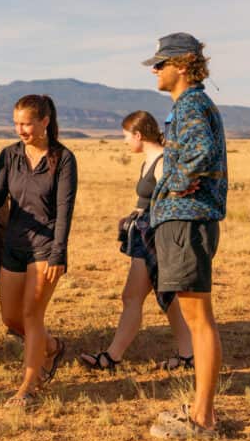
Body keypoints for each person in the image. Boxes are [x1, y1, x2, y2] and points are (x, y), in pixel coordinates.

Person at [0, 95, 78, 407]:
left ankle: (28, 388)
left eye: (26, 123)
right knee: (11, 318)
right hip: (15, 243)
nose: (20, 129)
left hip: (45, 247)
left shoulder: (63, 159)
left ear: (44, 122)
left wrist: (58, 254)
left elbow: (64, 211)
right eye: (16, 123)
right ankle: (51, 347)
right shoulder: (10, 155)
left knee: (32, 315)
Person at [141, 33, 228, 439]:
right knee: (197, 319)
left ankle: (203, 419)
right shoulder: (190, 104)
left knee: (199, 321)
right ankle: (199, 409)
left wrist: (177, 180)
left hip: (188, 220)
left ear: (183, 65)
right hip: (185, 221)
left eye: (161, 63)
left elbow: (203, 151)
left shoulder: (191, 103)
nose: (155, 70)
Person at [78, 111, 194, 372]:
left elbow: (173, 202)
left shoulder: (164, 162)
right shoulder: (148, 162)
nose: (124, 141)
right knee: (160, 297)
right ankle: (187, 355)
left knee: (140, 296)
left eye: (126, 136)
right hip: (145, 236)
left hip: (157, 238)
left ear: (138, 135)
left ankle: (113, 358)